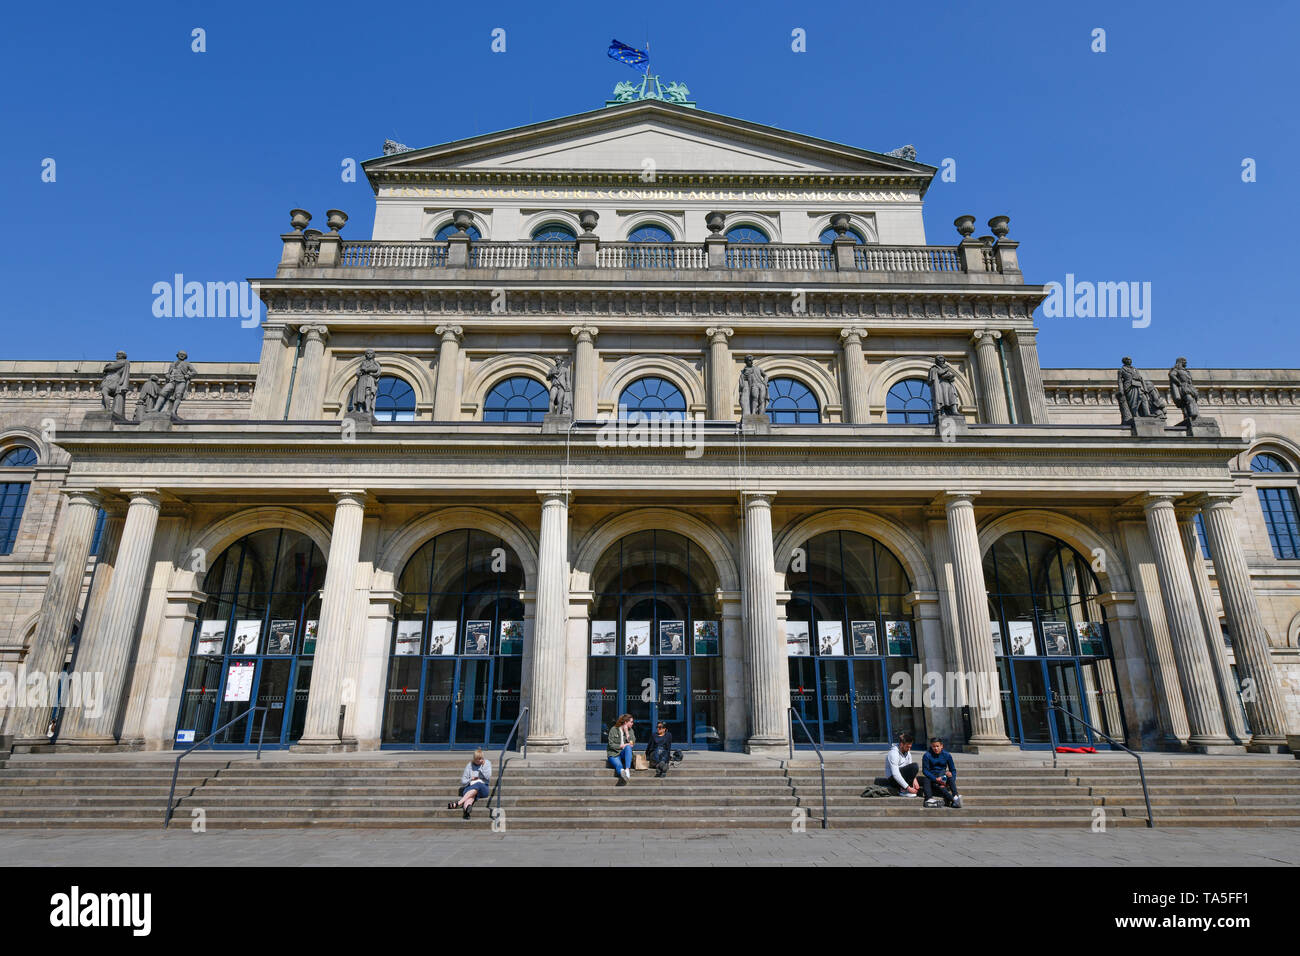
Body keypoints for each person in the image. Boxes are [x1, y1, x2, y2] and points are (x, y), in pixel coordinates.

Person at [874, 732, 921, 798]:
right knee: (914, 766)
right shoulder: (893, 753)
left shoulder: (907, 752)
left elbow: (910, 768)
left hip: (903, 776)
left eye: (910, 747)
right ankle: (903, 791)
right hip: (893, 779)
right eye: (907, 746)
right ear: (901, 744)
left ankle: (908, 788)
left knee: (922, 779)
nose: (909, 749)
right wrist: (908, 788)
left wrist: (915, 780)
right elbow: (896, 774)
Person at [449, 748, 491, 819]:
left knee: (478, 784)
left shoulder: (487, 763)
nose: (480, 760)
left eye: (481, 758)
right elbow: (463, 781)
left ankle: (458, 803)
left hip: (483, 788)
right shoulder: (469, 765)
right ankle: (467, 812)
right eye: (478, 759)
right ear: (474, 759)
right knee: (470, 798)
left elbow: (487, 777)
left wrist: (482, 767)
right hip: (470, 787)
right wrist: (470, 779)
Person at [920, 737, 962, 808]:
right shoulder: (927, 755)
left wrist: (950, 780)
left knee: (949, 774)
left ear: (941, 746)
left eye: (937, 746)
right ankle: (954, 800)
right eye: (933, 746)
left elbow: (953, 770)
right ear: (931, 746)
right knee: (926, 778)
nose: (936, 748)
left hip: (943, 776)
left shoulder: (947, 755)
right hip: (933, 778)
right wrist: (936, 779)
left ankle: (955, 795)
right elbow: (925, 771)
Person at [607, 713, 635, 784]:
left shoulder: (630, 731)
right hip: (614, 753)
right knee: (619, 765)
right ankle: (622, 772)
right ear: (625, 722)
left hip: (623, 753)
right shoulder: (614, 729)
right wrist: (622, 746)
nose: (632, 723)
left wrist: (627, 733)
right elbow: (611, 745)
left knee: (628, 747)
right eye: (631, 722)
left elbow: (632, 744)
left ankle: (627, 769)